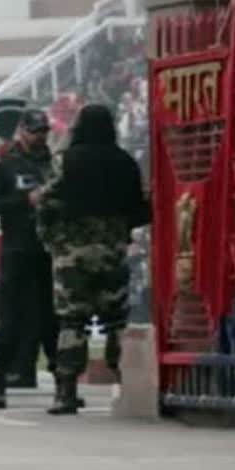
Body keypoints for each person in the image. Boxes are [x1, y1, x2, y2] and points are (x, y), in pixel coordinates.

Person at [37, 104, 150, 414]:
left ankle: (66, 390)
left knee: (72, 320)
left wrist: (52, 240)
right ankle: (126, 383)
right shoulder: (125, 162)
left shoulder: (66, 161)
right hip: (112, 250)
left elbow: (45, 202)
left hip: (72, 252)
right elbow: (142, 207)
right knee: (115, 319)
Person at [0, 108, 58, 409]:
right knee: (9, 320)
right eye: (35, 131)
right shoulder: (8, 166)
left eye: (44, 131)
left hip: (48, 250)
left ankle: (63, 383)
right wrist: (25, 200)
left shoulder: (55, 165)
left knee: (52, 319)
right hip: (16, 250)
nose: (40, 136)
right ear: (22, 131)